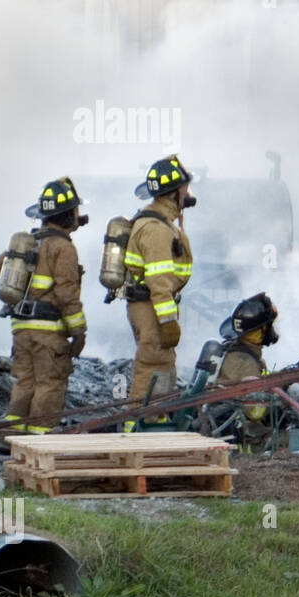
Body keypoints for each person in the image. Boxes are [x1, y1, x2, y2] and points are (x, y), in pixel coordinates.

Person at [0, 178, 88, 433]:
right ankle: (40, 440)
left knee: (24, 382)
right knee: (49, 383)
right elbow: (66, 294)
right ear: (69, 214)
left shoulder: (29, 243)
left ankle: (12, 436)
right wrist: (79, 332)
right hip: (48, 332)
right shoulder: (63, 248)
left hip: (21, 328)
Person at [122, 157, 195, 424]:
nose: (189, 193)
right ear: (175, 191)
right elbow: (159, 281)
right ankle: (141, 426)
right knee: (152, 363)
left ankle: (154, 420)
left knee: (160, 362)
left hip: (149, 305)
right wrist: (167, 320)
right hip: (151, 307)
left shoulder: (160, 222)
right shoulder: (156, 229)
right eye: (185, 188)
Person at [212, 292, 279, 450]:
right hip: (246, 437)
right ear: (259, 331)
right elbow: (255, 413)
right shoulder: (245, 362)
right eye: (269, 325)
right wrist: (273, 396)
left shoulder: (236, 352)